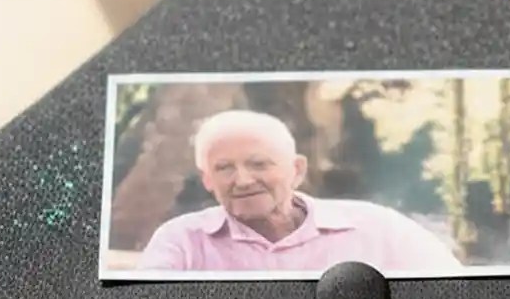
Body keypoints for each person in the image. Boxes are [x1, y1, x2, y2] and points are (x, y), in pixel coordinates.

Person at [135, 110, 463, 273]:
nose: (244, 180)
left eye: (259, 164)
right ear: (207, 180)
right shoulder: (181, 241)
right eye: (224, 168)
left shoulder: (377, 229)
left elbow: (459, 294)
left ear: (297, 170)